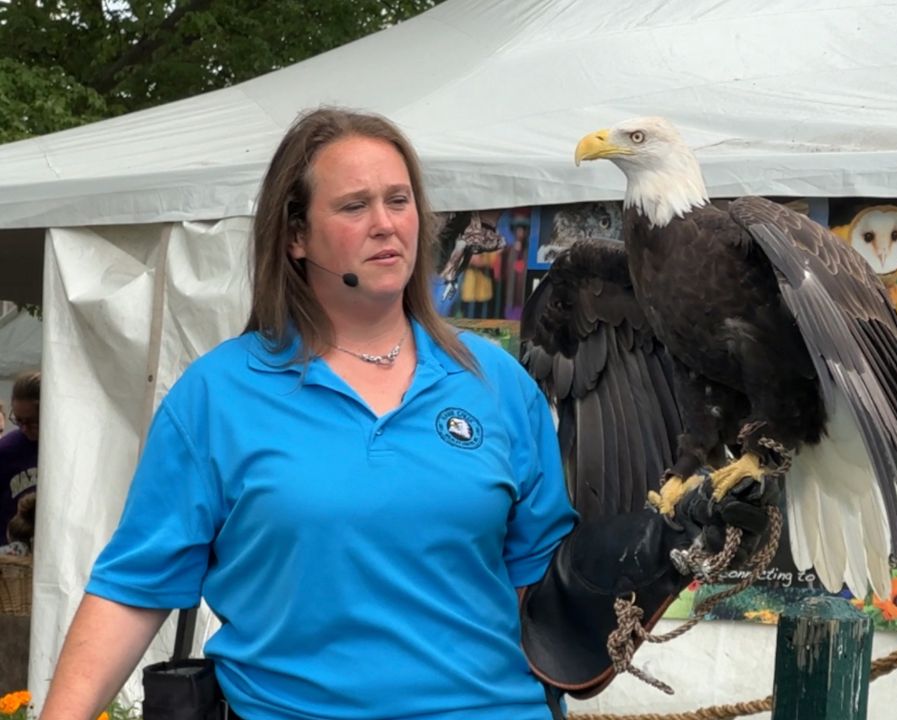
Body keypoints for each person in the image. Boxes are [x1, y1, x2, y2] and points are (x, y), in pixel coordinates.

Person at [40, 107, 772, 720]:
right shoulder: (219, 395)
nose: (387, 224)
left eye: (400, 200)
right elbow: (131, 592)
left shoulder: (495, 384)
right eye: (354, 206)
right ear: (295, 235)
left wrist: (648, 554)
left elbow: (542, 591)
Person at [0, 370, 39, 535]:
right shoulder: (7, 450)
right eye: (18, 420)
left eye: (32, 421)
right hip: (12, 551)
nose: (24, 428)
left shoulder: (68, 448)